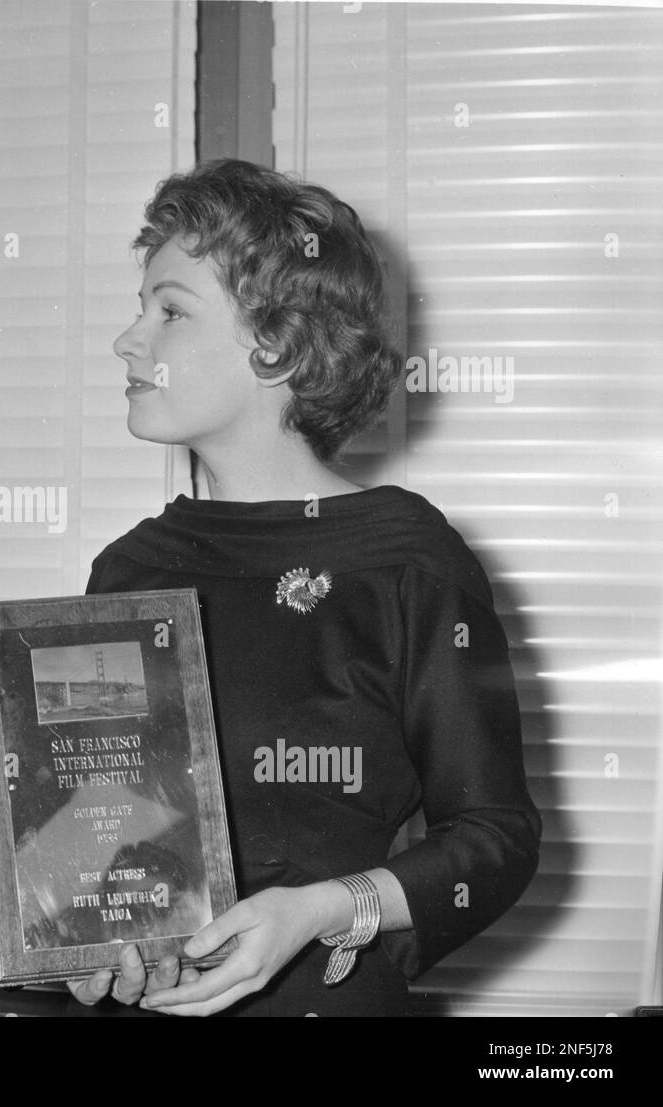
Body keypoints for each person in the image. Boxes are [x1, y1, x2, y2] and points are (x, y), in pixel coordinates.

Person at [70, 159, 541, 1015]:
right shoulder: (128, 569)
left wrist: (331, 908)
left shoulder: (409, 560)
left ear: (276, 345)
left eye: (169, 310)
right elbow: (109, 835)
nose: (128, 340)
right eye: (141, 308)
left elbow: (494, 838)